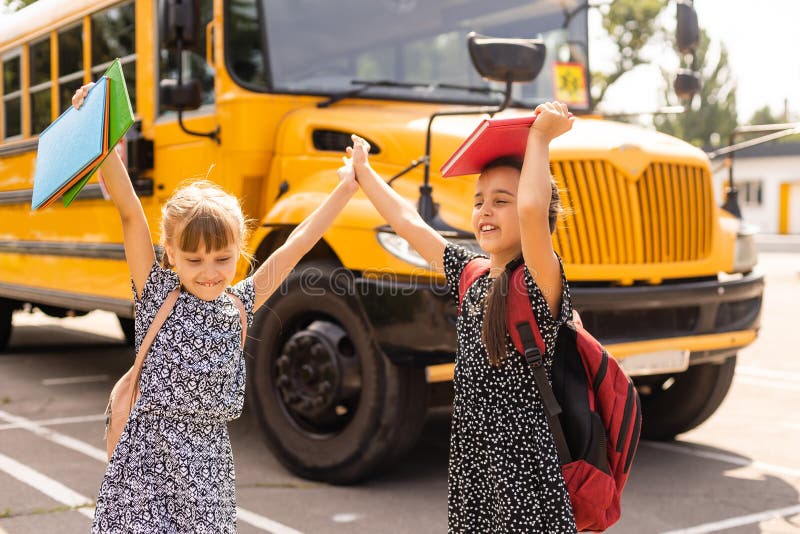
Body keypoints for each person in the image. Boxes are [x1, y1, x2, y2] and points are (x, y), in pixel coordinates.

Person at [70, 84, 359, 533]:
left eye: (223, 258)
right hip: (144, 474)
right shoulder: (156, 293)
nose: (210, 271)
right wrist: (99, 131)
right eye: (194, 259)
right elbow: (130, 212)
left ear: (239, 250)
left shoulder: (239, 304)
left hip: (209, 476)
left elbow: (295, 247)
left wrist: (347, 187)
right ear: (170, 253)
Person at [349, 101, 577, 532]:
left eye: (500, 201)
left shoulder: (540, 279)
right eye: (479, 201)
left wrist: (540, 139)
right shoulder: (471, 275)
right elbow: (408, 222)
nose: (485, 210)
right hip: (475, 468)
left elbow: (532, 211)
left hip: (527, 476)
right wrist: (364, 173)